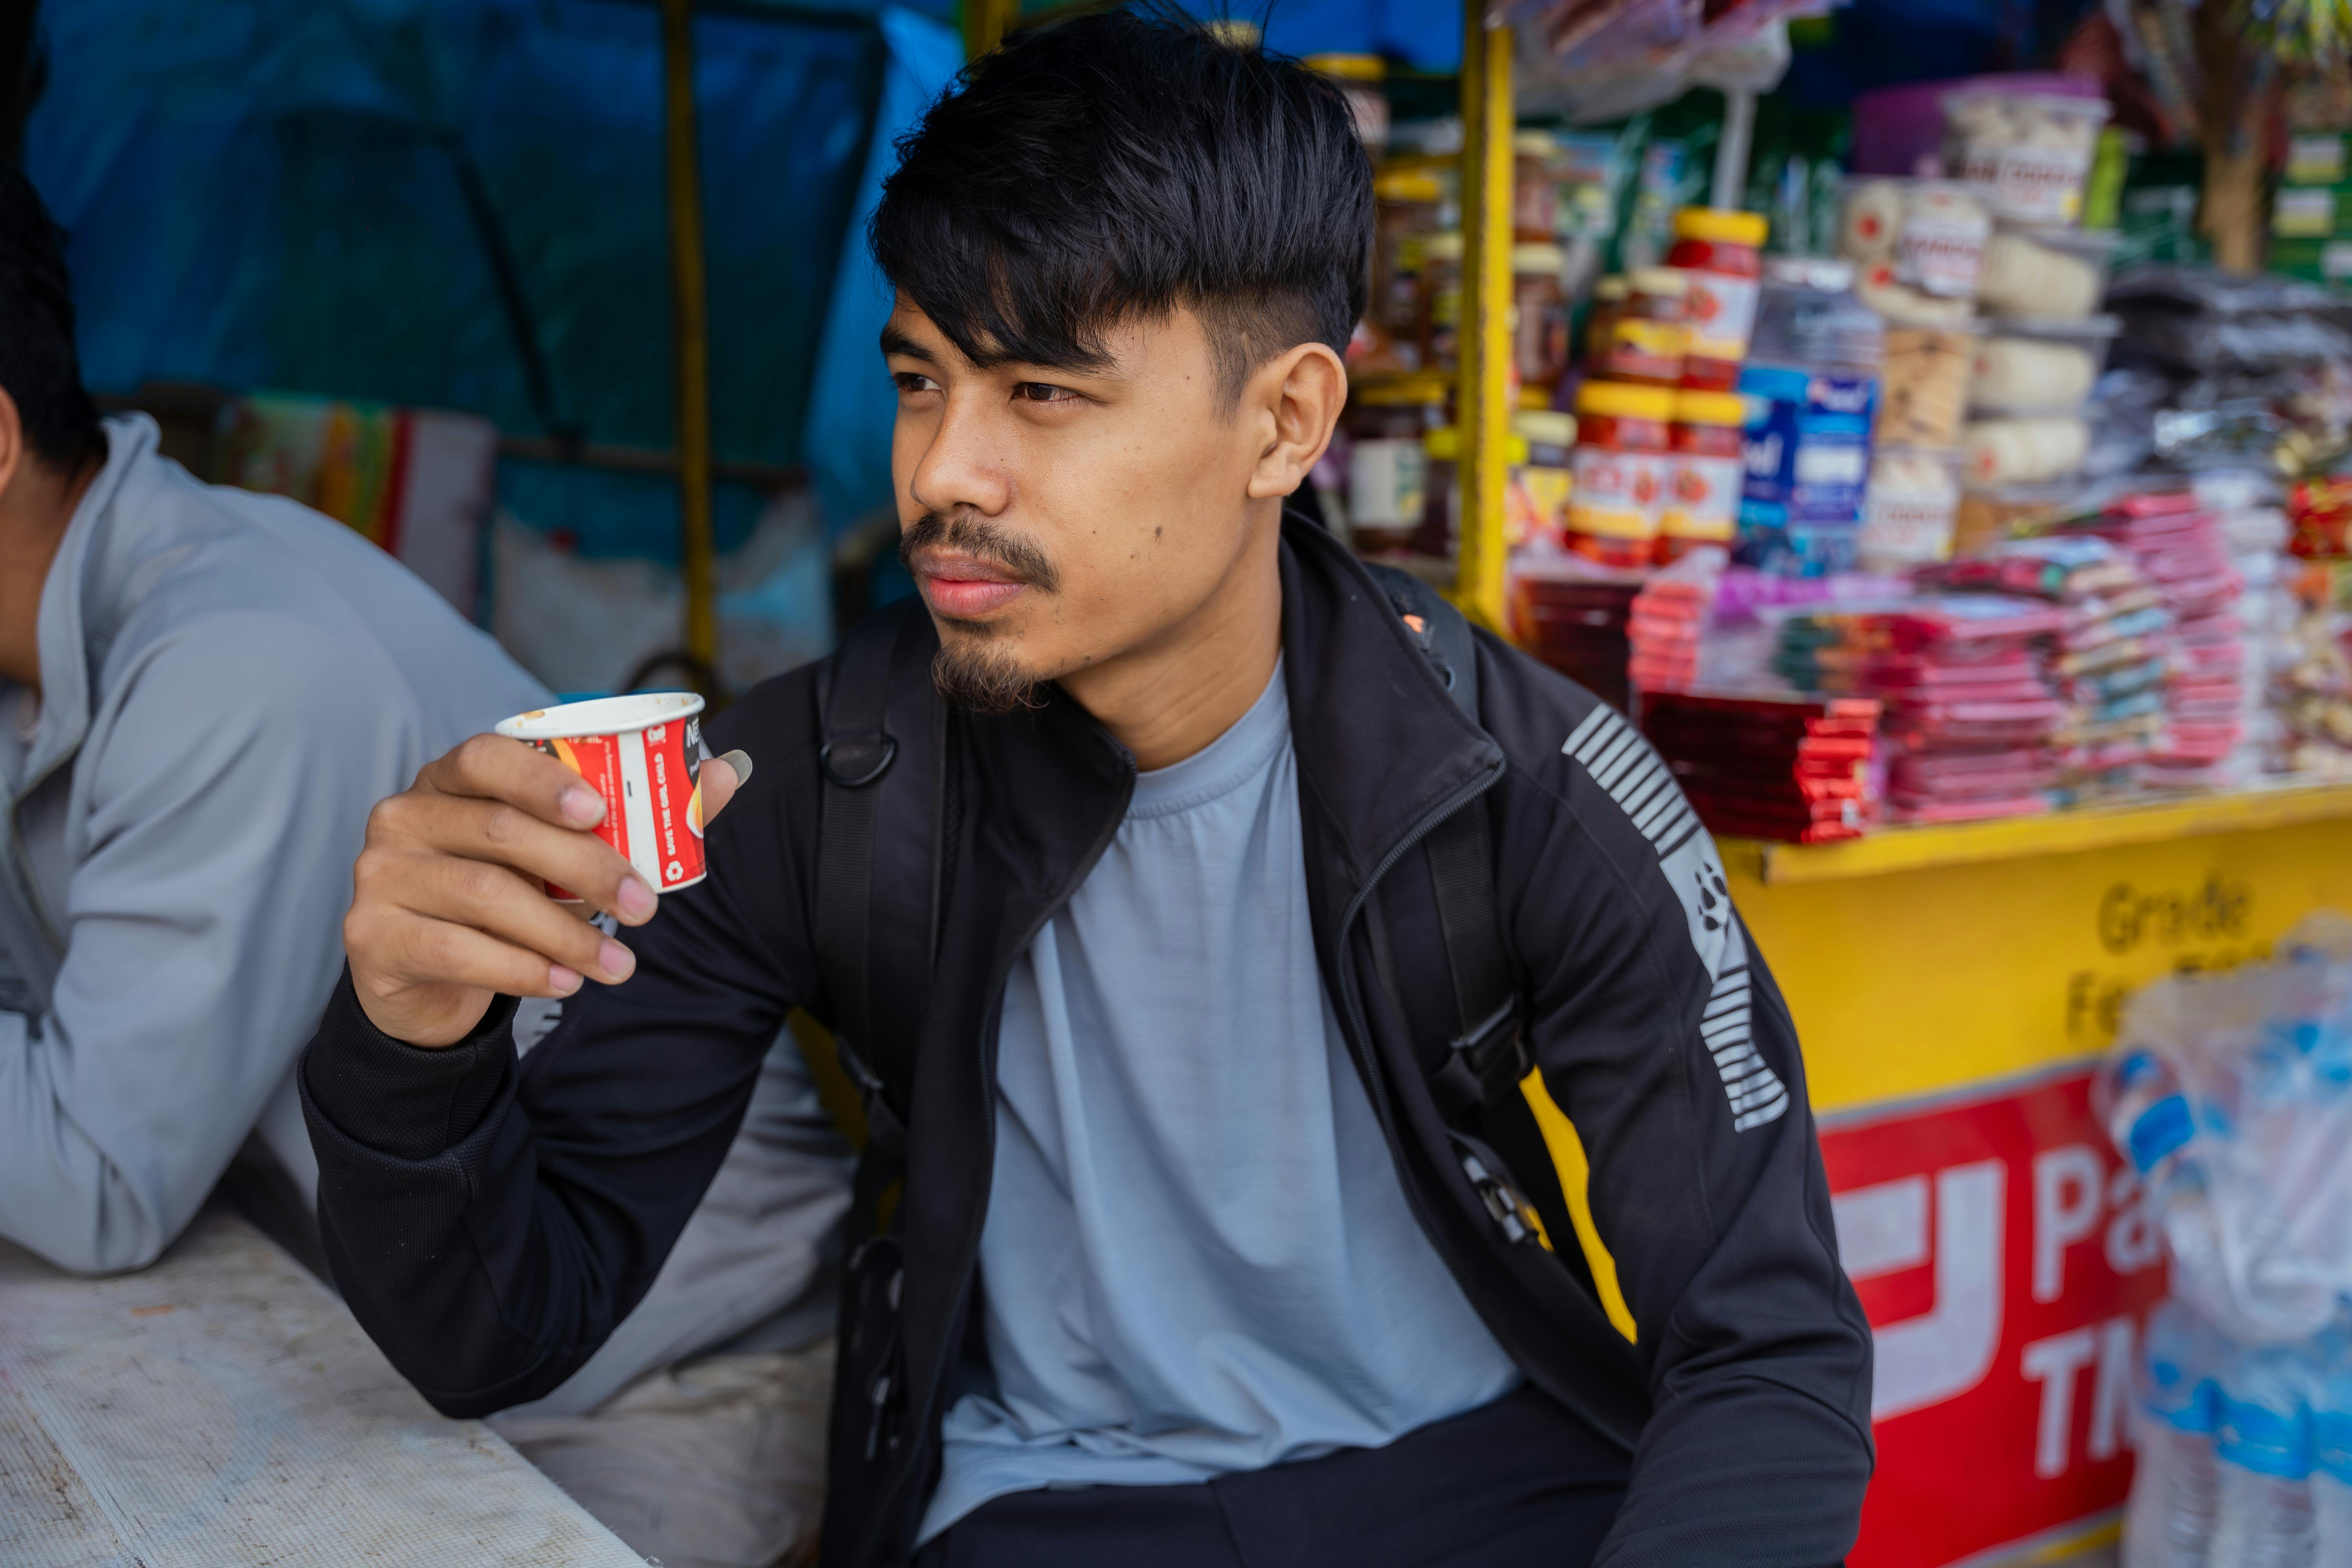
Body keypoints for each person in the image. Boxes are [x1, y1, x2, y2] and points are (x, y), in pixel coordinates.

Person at [301, 15, 1874, 1568]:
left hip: (1485, 1487)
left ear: (1286, 423)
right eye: (920, 379)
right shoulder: (810, 787)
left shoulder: (1522, 785)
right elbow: (498, 1332)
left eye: (1042, 393)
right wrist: (410, 1041)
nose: (941, 473)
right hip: (1052, 1511)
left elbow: (1769, 1353)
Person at [0, 165, 847, 1568]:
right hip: (385, 1314)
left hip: (663, 1369)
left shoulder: (229, 664)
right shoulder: (44, 659)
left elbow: (96, 1181)